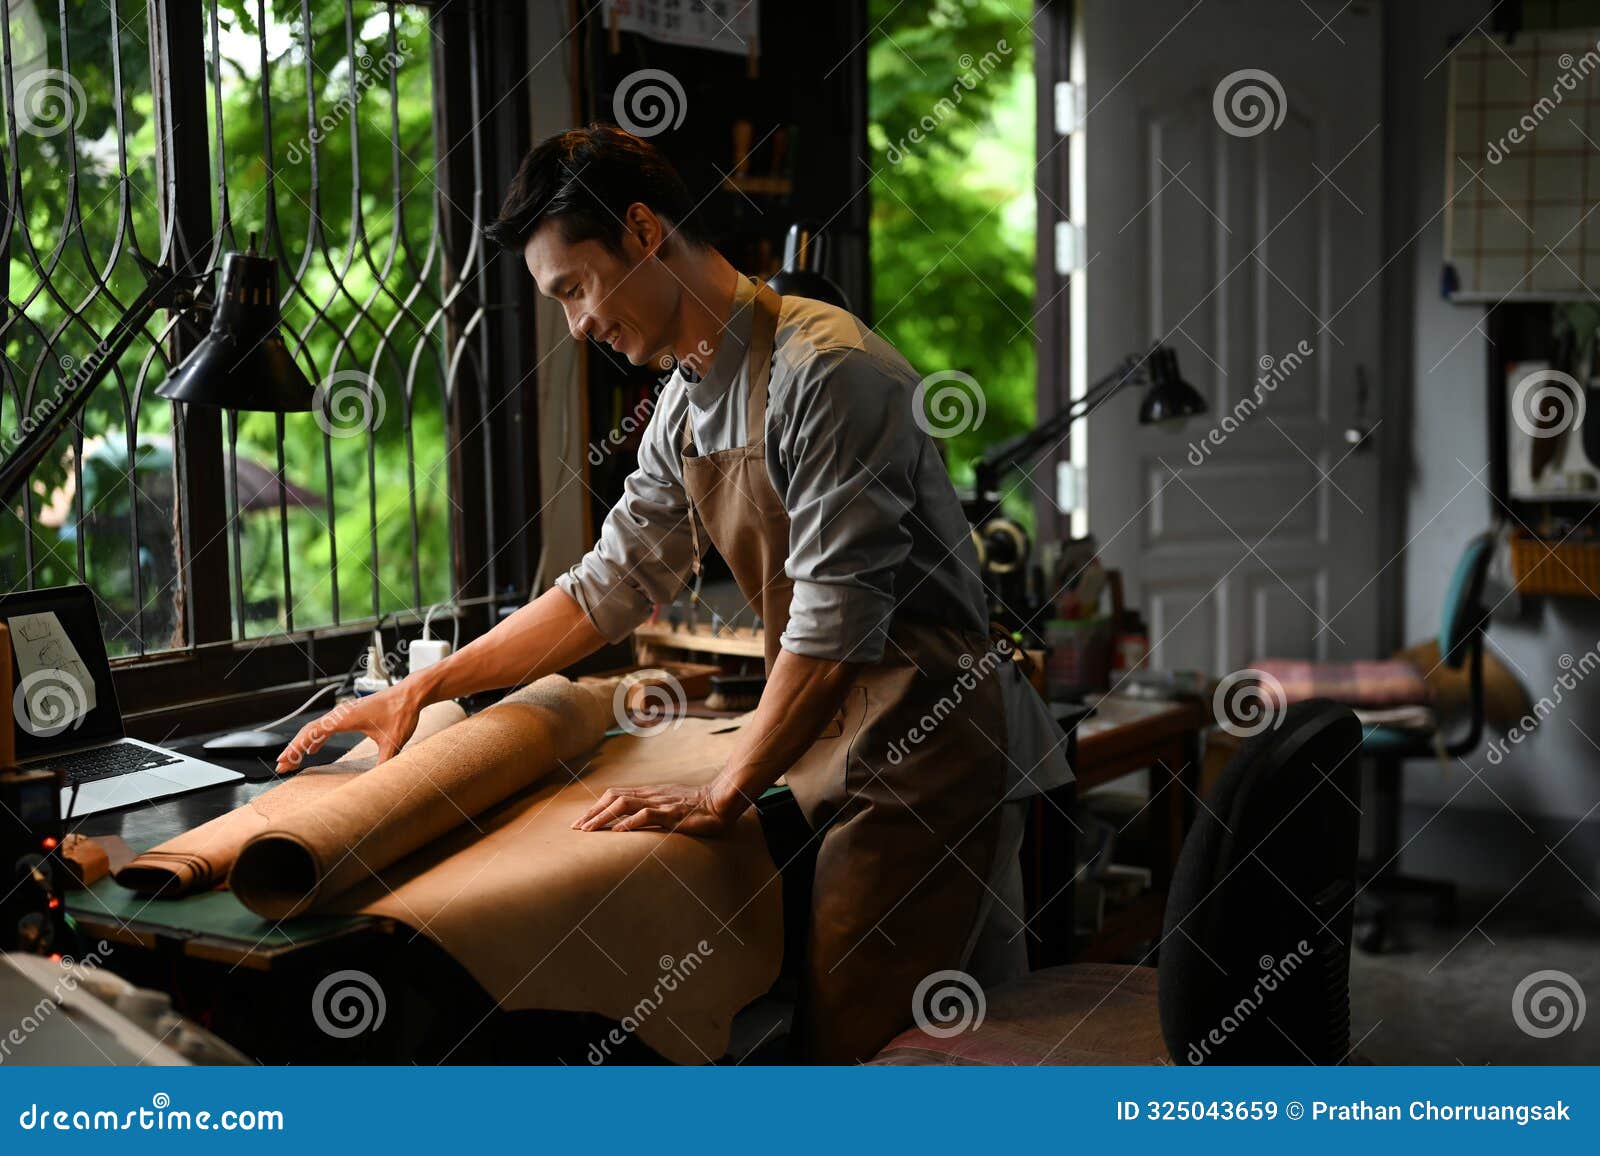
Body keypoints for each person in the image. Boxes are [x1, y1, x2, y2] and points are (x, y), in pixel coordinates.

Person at [276, 124, 1071, 1063]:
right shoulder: (685, 404)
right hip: (829, 740)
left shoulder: (828, 373)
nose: (576, 324)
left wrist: (725, 789)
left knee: (881, 1047)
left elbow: (829, 626)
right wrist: (427, 687)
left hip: (926, 752)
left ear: (645, 232)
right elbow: (602, 590)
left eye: (575, 288)